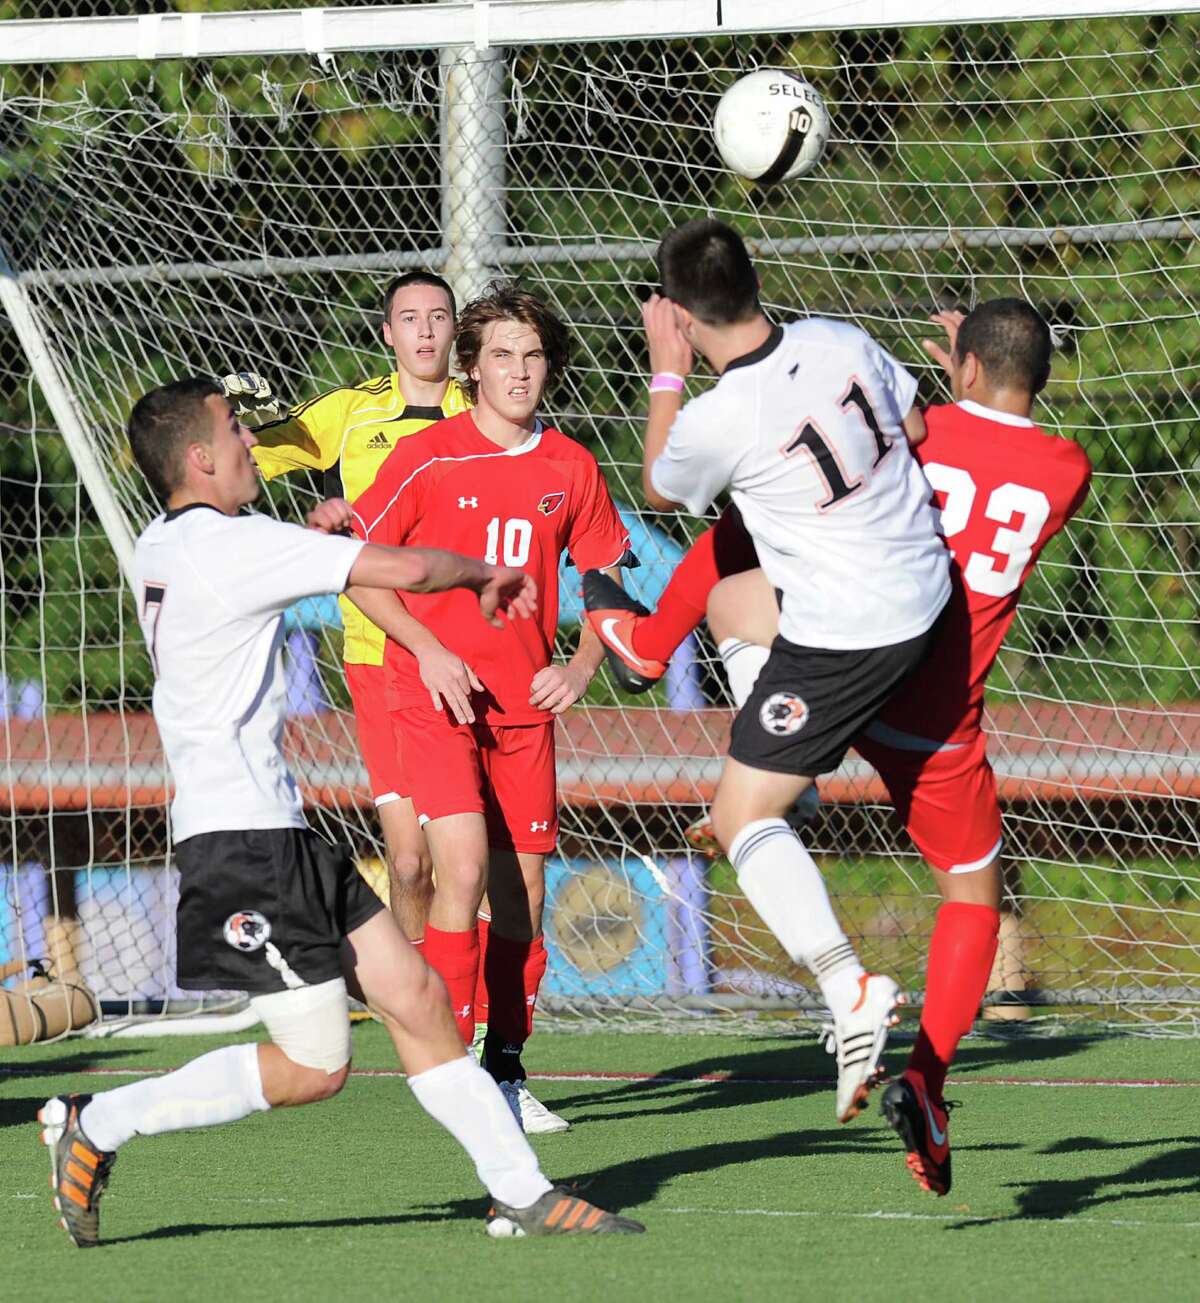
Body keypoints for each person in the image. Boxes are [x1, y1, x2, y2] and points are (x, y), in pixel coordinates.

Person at [38, 378, 643, 1247]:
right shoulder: (227, 545)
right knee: (316, 1067)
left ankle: (524, 1193)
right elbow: (404, 569)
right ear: (201, 459)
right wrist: (484, 573)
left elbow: (339, 559)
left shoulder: (170, 541)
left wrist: (336, 536)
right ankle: (96, 1126)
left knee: (420, 997)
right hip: (239, 845)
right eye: (236, 429)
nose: (253, 440)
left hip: (277, 834)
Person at [592, 299, 1093, 1195]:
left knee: (745, 542)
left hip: (845, 663)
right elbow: (995, 441)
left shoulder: (918, 431)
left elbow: (876, 443)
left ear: (963, 367)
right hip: (934, 720)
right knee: (972, 899)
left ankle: (669, 656)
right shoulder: (1067, 468)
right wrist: (966, 385)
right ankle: (928, 1079)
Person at [586, 219, 951, 1123]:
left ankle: (845, 985)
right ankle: (794, 774)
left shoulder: (718, 415)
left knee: (737, 817)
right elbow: (912, 425)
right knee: (730, 600)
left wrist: (664, 366)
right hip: (924, 582)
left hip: (854, 633)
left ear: (677, 311)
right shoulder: (840, 336)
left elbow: (662, 485)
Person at [320, 283, 632, 1135]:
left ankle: (504, 1068)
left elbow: (606, 578)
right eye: (501, 354)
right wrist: (427, 649)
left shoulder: (571, 464)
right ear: (474, 365)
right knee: (454, 871)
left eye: (533, 355)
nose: (519, 371)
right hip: (436, 699)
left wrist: (583, 661)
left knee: (522, 894)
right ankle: (447, 1066)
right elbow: (361, 569)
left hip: (525, 710)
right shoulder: (428, 456)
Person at [225, 271, 471, 941]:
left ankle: (477, 1010)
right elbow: (239, 460)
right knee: (412, 860)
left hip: (471, 653)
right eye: (409, 318)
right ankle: (420, 1005)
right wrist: (227, 407)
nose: (425, 329)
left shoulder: (482, 410)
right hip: (380, 658)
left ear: (455, 328)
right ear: (388, 333)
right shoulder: (351, 411)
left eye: (438, 316)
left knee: (474, 860)